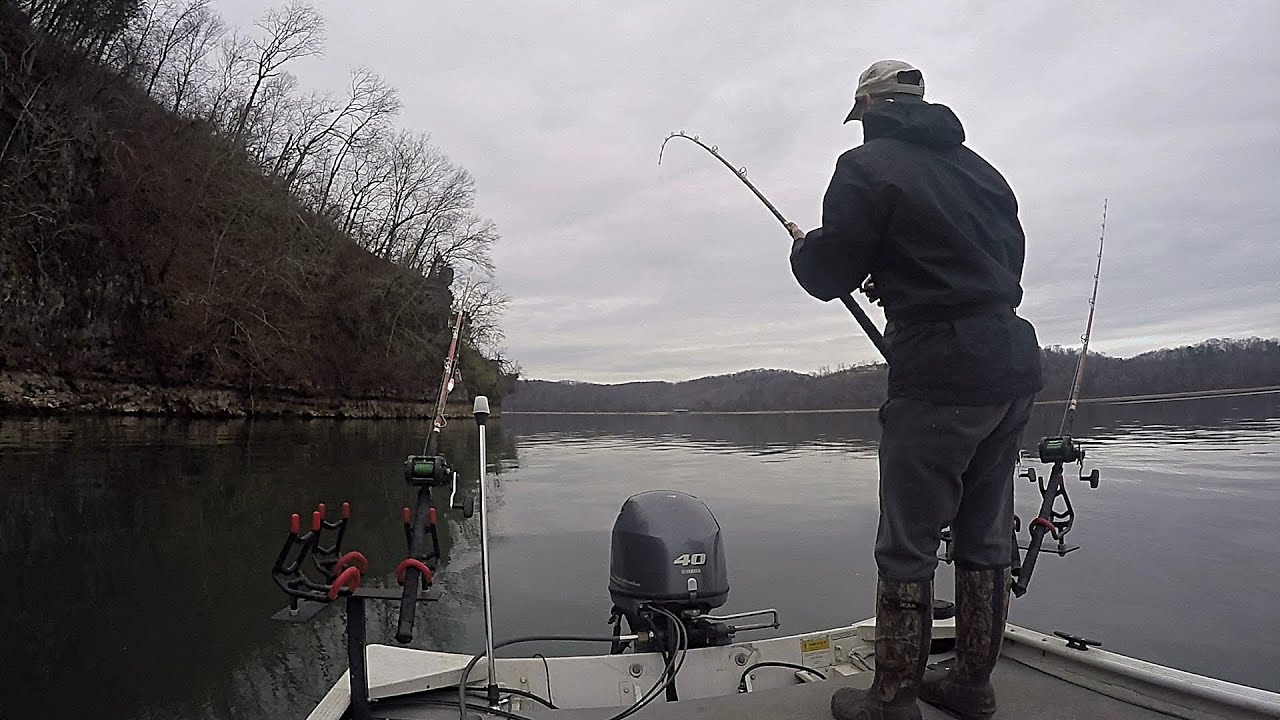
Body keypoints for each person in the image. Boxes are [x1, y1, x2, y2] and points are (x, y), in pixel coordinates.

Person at [787, 60, 1044, 720]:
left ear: (869, 107)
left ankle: (893, 697)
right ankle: (970, 685)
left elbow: (829, 272)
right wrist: (896, 273)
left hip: (940, 372)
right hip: (1011, 365)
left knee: (907, 542)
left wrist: (806, 249)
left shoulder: (864, 167)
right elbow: (991, 266)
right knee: (986, 537)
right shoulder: (984, 172)